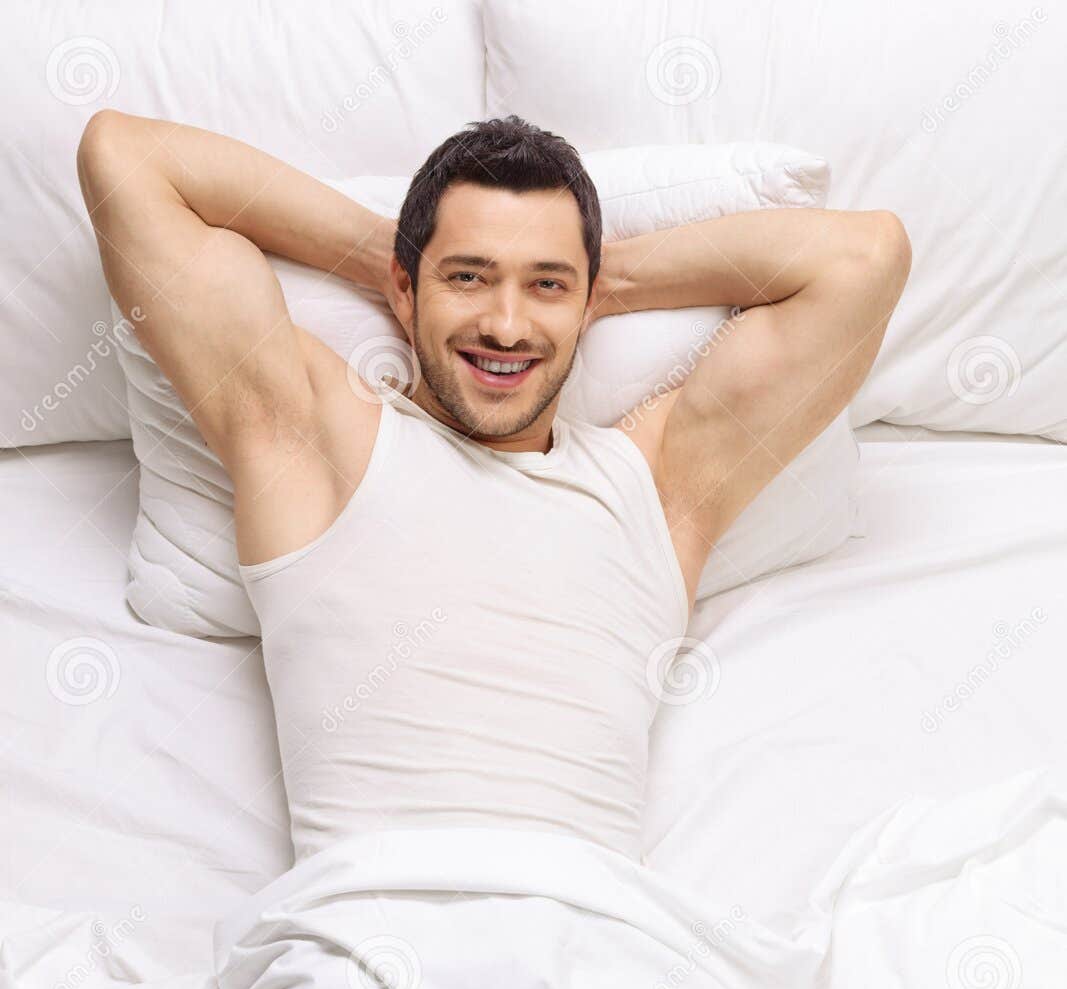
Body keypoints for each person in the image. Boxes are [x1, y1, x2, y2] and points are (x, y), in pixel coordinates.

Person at [77, 111, 909, 863]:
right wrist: (392, 254)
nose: (506, 326)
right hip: (358, 943)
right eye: (468, 279)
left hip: (592, 948)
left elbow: (864, 258)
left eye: (545, 285)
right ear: (403, 290)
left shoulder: (652, 486)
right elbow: (125, 160)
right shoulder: (315, 443)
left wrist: (600, 280)